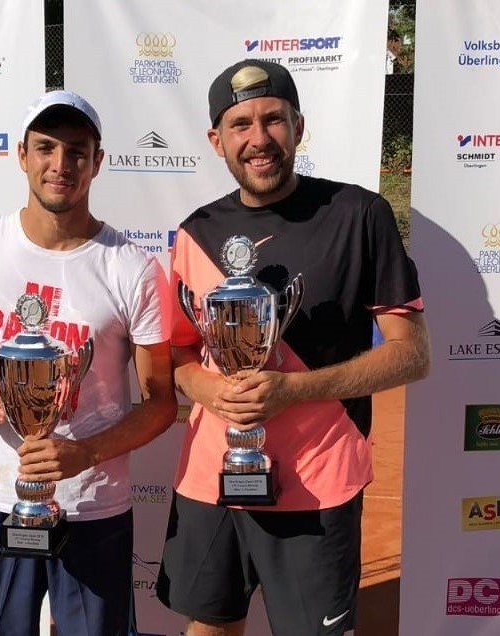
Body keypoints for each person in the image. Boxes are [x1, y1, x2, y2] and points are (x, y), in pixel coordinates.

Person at [156, 59, 430, 636]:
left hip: (318, 483)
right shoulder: (195, 232)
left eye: (273, 119)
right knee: (209, 625)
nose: (259, 139)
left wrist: (295, 390)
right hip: (213, 477)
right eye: (240, 125)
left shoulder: (359, 215)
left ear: (298, 126)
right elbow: (179, 357)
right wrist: (214, 391)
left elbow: (411, 353)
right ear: (216, 140)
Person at [0, 89, 177, 636]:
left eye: (77, 150)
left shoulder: (130, 267)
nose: (60, 165)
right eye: (46, 148)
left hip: (92, 504)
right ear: (21, 154)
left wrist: (86, 452)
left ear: (98, 161)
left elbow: (161, 402)